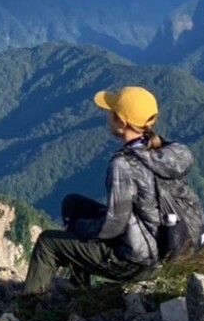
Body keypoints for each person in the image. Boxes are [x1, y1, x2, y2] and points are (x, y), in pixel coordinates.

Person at [21, 85, 194, 298]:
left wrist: (79, 227)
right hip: (162, 243)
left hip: (135, 261)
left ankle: (25, 311)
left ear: (121, 122)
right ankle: (77, 285)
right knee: (73, 204)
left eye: (110, 112)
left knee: (48, 243)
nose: (106, 115)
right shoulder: (165, 152)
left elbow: (113, 226)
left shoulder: (123, 165)